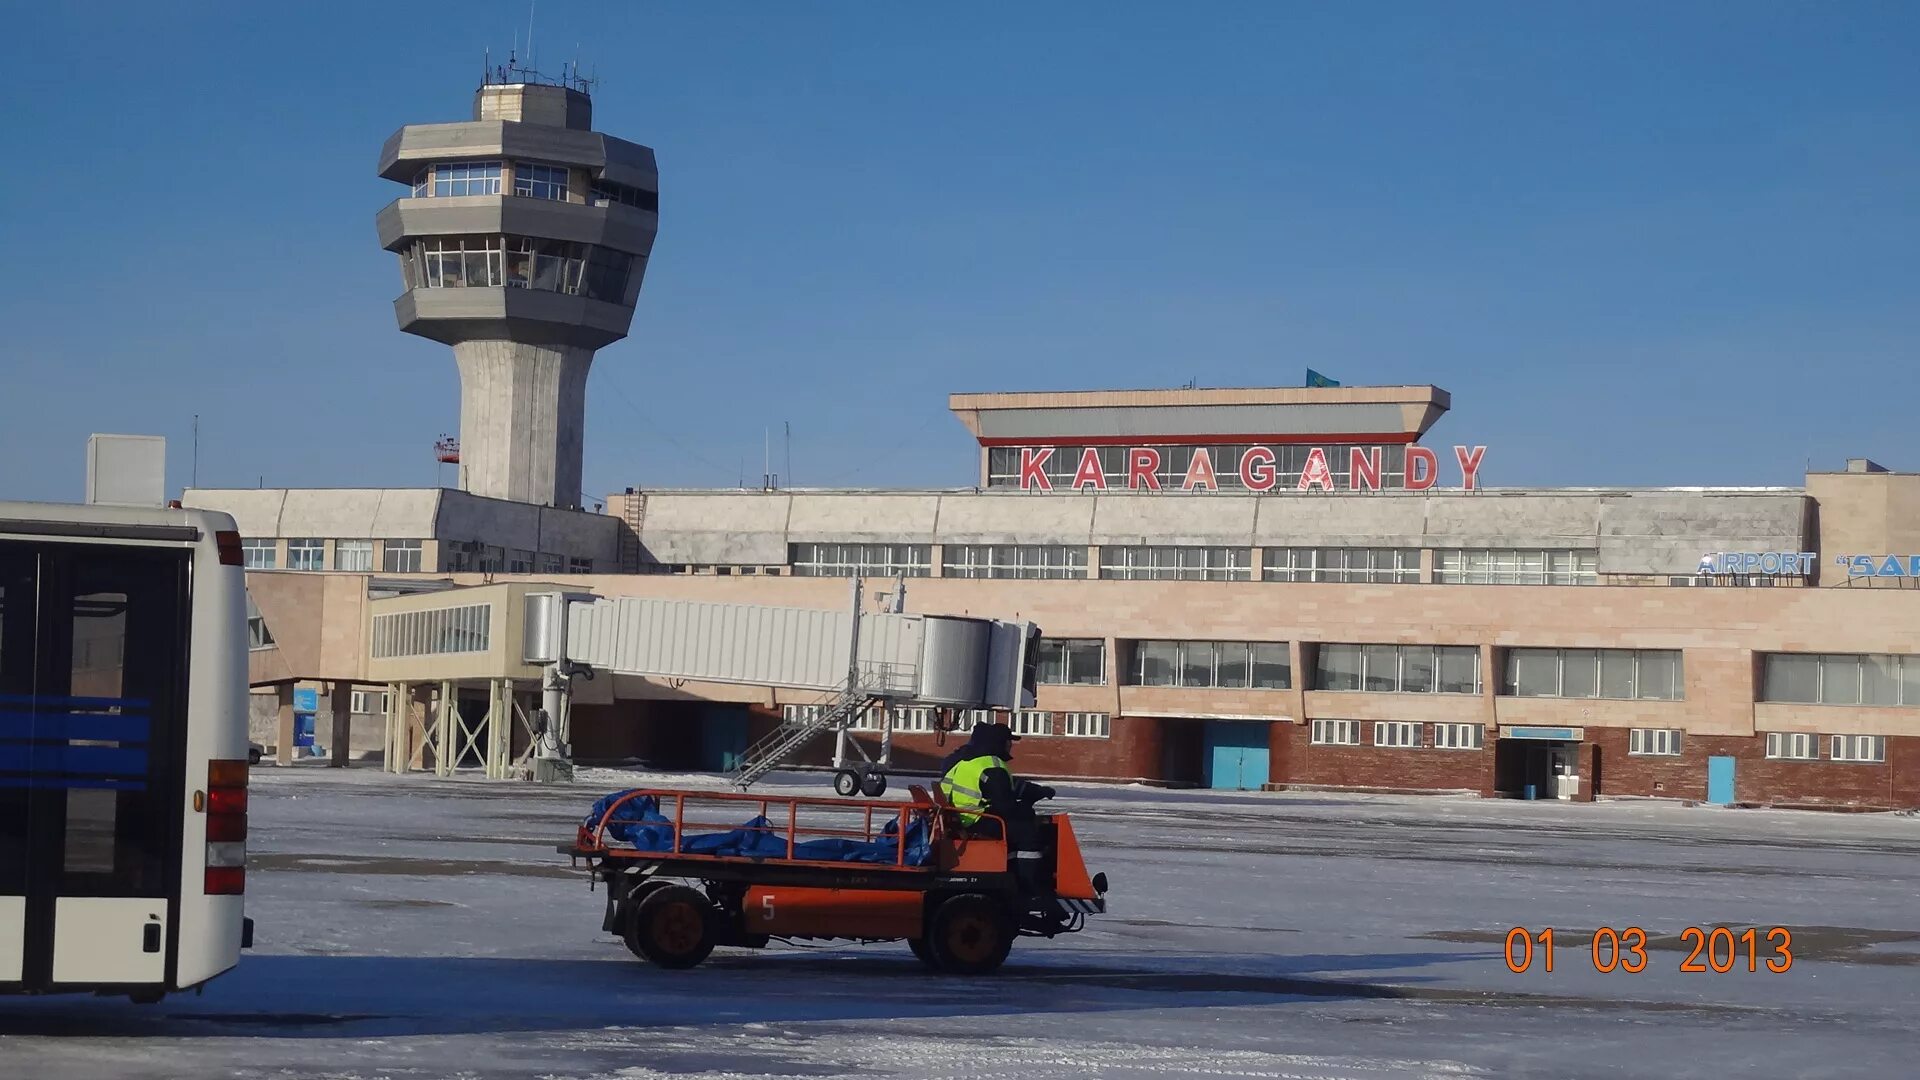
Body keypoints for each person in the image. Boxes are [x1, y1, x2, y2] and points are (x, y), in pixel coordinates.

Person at [939, 722, 1056, 891]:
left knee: (1017, 823)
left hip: (960, 816)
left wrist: (1037, 791)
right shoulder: (992, 765)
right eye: (1009, 742)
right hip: (975, 819)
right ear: (1000, 742)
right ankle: (1029, 885)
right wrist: (1024, 810)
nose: (1011, 746)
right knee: (1028, 834)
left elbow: (1008, 786)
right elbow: (1004, 805)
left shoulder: (966, 760)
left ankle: (1015, 874)